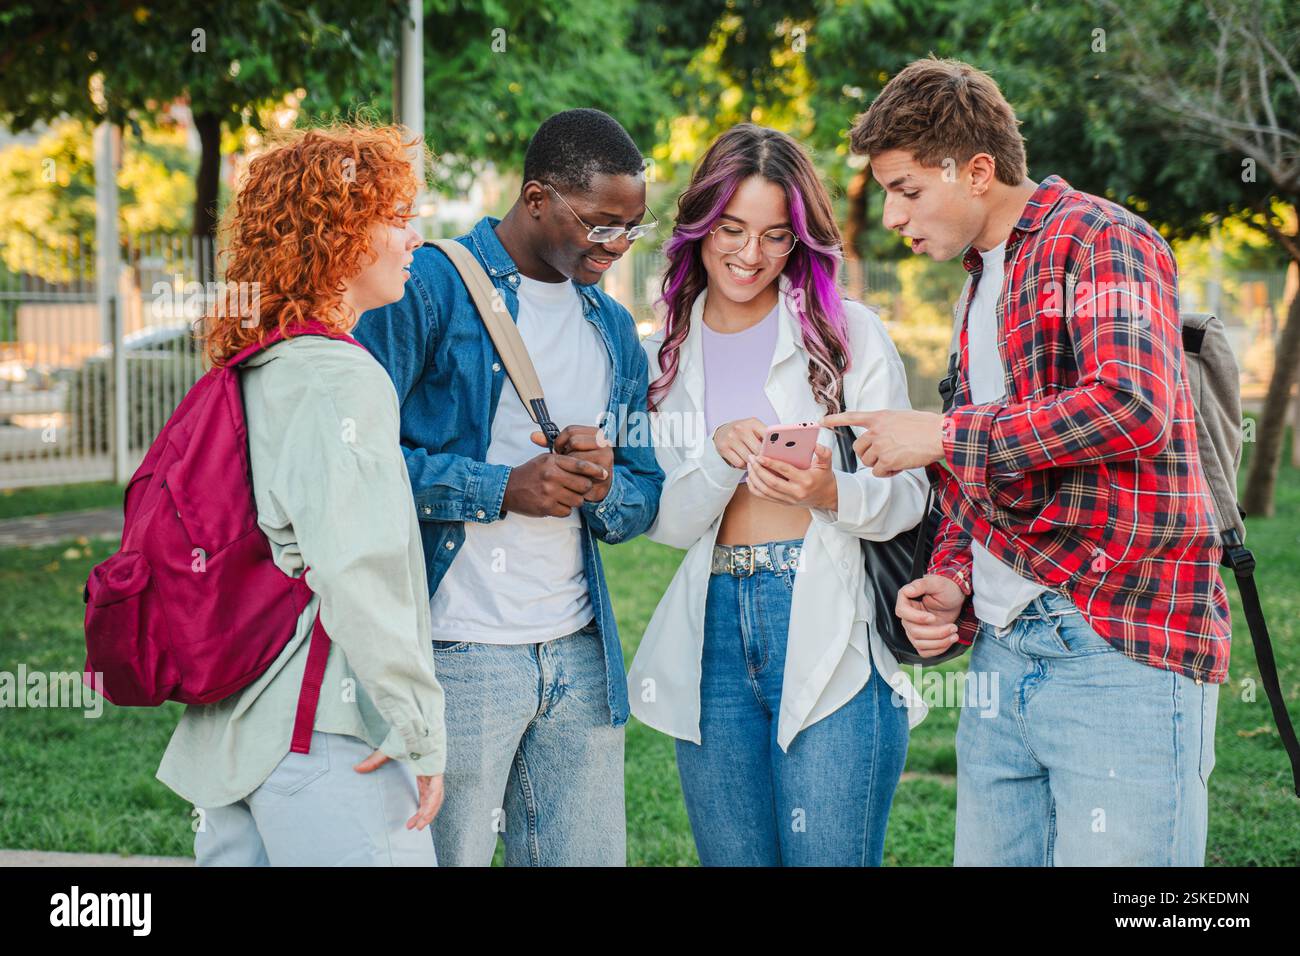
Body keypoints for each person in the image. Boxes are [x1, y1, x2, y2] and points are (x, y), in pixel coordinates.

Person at [829, 57, 1229, 866]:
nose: (893, 214)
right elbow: (996, 459)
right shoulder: (979, 280)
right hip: (1006, 652)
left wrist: (940, 433)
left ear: (977, 170)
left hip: (1118, 643)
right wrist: (955, 576)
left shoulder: (1101, 237)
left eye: (907, 188)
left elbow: (1132, 404)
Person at [354, 108, 664, 867]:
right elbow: (354, 460)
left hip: (579, 652)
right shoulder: (426, 287)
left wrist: (597, 484)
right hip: (457, 651)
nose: (615, 248)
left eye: (632, 230)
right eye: (599, 225)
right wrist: (502, 489)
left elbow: (643, 491)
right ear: (535, 199)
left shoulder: (613, 327)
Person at [628, 123, 930, 867]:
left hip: (824, 612)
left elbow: (912, 496)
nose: (748, 254)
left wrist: (832, 490)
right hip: (715, 627)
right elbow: (666, 524)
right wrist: (716, 458)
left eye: (774, 236)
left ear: (799, 242)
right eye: (730, 228)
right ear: (700, 224)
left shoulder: (846, 332)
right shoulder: (664, 349)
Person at [157, 124, 447, 866]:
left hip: (233, 741)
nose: (413, 238)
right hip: (328, 742)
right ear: (342, 238)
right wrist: (419, 731)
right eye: (394, 218)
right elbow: (359, 569)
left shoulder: (258, 368)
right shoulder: (339, 378)